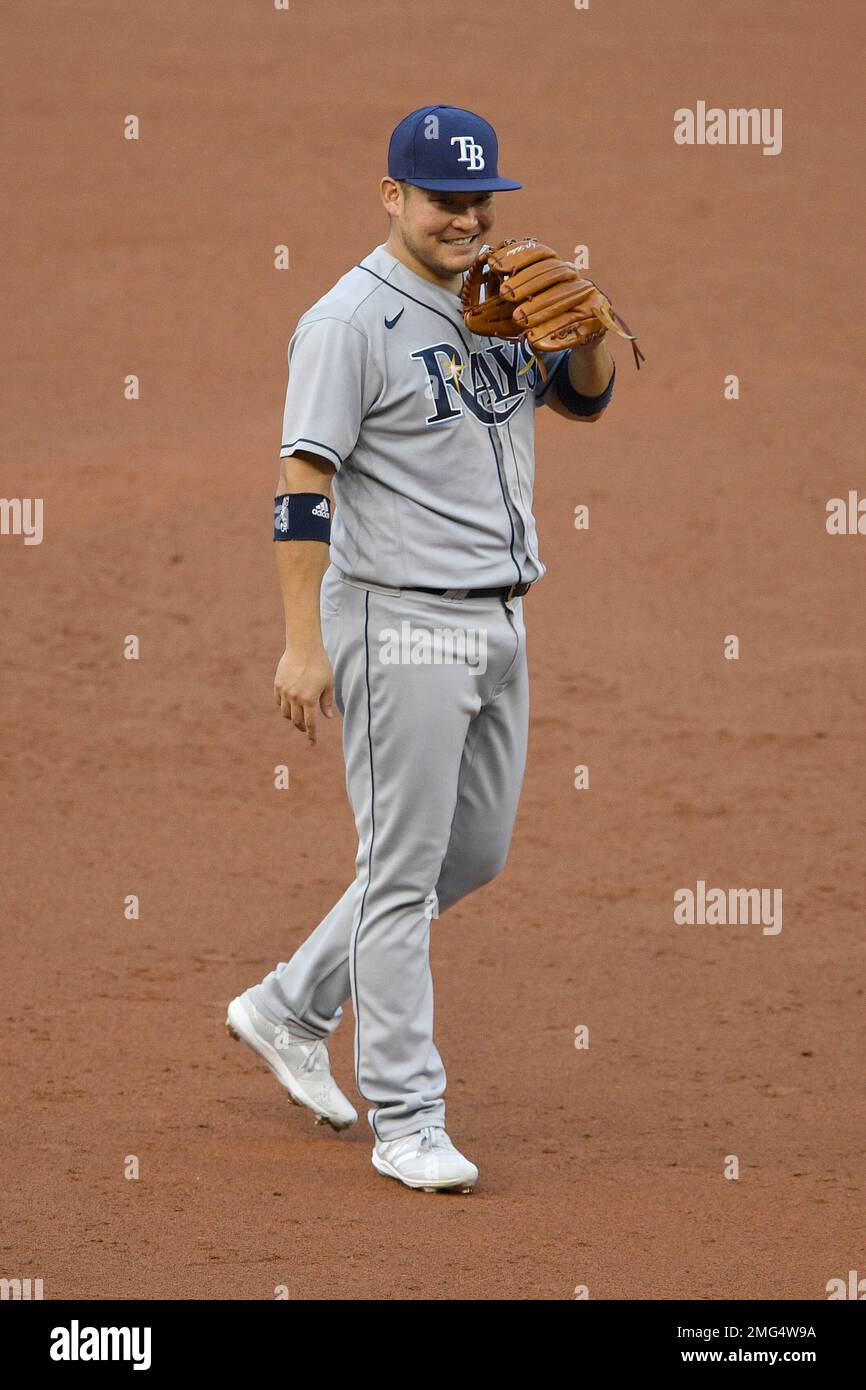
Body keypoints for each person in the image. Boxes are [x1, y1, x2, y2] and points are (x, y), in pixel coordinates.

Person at [227, 103, 618, 1194]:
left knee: (471, 852)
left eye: (477, 199)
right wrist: (302, 642)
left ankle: (287, 1003)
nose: (464, 218)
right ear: (390, 196)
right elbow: (302, 485)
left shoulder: (495, 295)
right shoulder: (346, 324)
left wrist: (582, 337)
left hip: (499, 617)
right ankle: (407, 1118)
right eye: (442, 200)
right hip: (396, 620)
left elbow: (581, 405)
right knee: (397, 873)